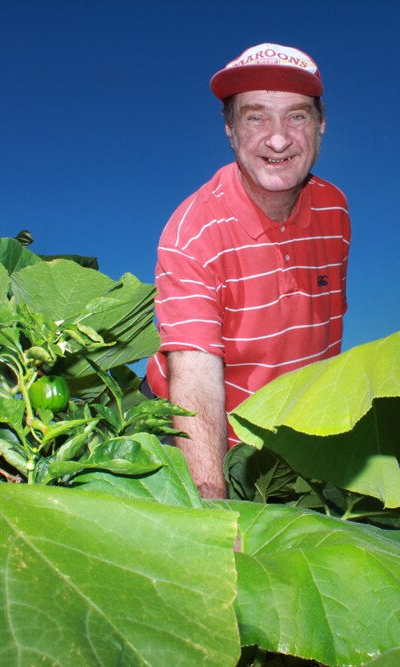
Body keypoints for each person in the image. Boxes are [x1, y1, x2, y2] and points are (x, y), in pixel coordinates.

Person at [145, 43, 351, 499]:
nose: (278, 139)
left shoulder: (335, 210)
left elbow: (325, 332)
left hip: (284, 435)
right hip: (185, 421)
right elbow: (195, 378)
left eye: (296, 116)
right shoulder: (192, 234)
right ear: (231, 131)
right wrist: (213, 503)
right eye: (256, 117)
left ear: (321, 126)